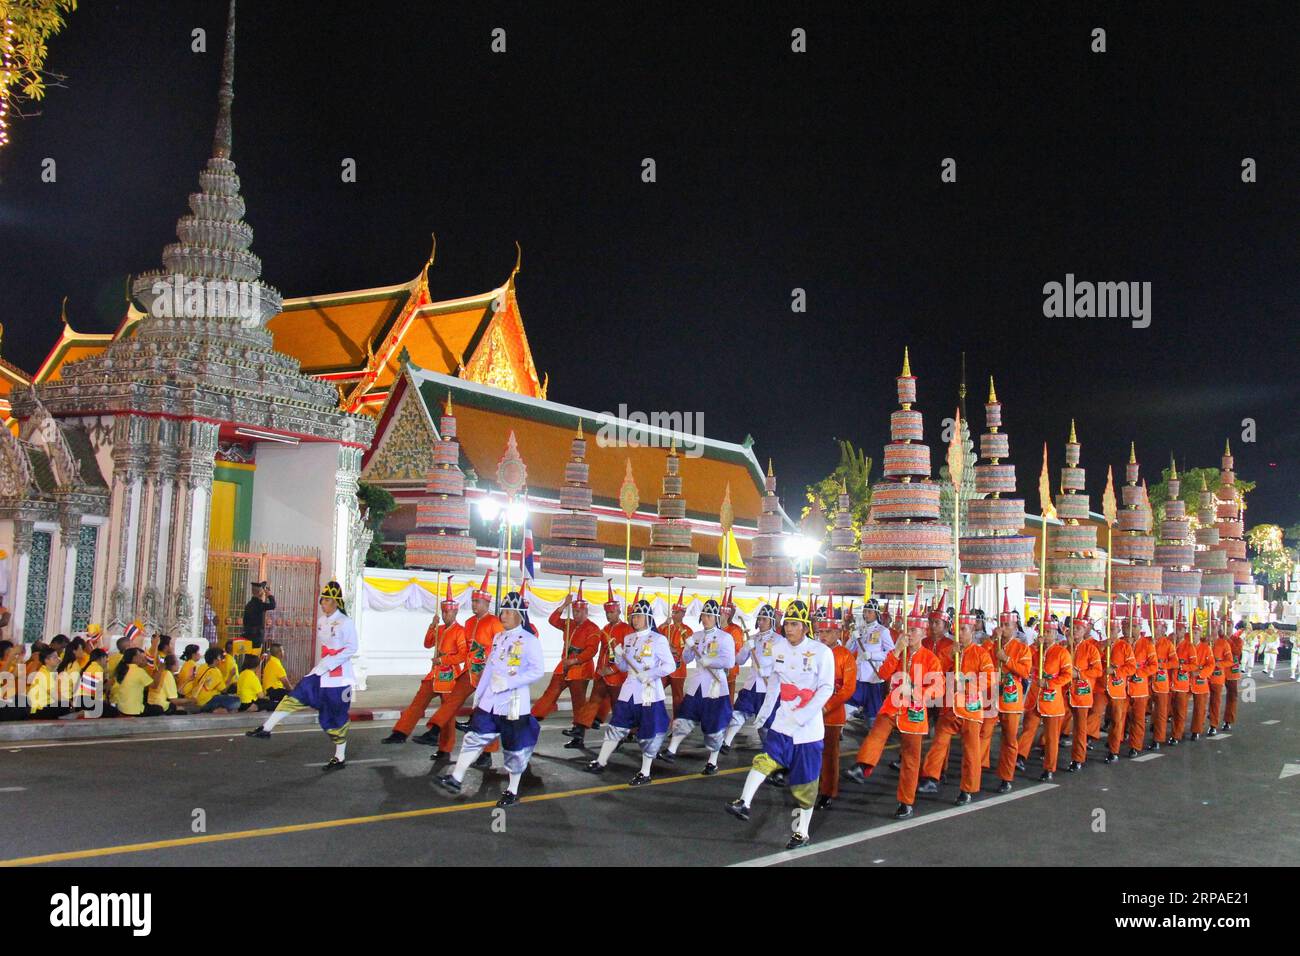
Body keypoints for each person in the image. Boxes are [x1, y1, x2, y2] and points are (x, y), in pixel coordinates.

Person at [725, 599, 835, 849]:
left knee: (804, 784)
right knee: (765, 759)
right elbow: (774, 681)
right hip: (783, 723)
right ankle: (744, 802)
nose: (789, 628)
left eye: (794, 624)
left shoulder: (821, 652)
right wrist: (764, 714)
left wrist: (804, 714)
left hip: (808, 729)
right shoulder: (777, 648)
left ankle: (801, 833)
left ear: (805, 627)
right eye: (787, 624)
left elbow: (826, 688)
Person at [436, 585, 545, 807]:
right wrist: (480, 693)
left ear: (518, 615)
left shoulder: (530, 641)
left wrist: (510, 682)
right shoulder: (498, 638)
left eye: (506, 612)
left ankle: (512, 790)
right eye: (502, 611)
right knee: (474, 737)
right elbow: (489, 667)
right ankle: (456, 777)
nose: (502, 616)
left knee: (515, 747)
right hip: (491, 702)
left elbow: (537, 671)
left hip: (514, 704)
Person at [844, 588, 944, 819]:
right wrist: (896, 651)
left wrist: (918, 694)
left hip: (915, 711)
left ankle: (906, 801)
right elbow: (884, 673)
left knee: (910, 758)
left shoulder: (931, 658)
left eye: (916, 630)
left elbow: (938, 688)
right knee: (876, 733)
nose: (910, 634)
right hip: (893, 705)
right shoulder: (900, 650)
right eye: (908, 629)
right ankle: (863, 765)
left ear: (924, 632)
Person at [246, 581, 358, 772]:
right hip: (320, 673)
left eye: (327, 600)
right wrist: (322, 665)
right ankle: (266, 728)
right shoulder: (322, 621)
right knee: (295, 695)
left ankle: (339, 757)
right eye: (322, 600)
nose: (323, 604)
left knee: (335, 718)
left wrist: (330, 662)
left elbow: (352, 648)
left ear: (336, 602)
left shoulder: (346, 623)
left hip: (340, 678)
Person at [582, 595, 676, 785]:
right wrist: (618, 657)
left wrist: (650, 674)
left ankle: (645, 771)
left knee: (648, 731)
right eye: (633, 616)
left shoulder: (658, 639)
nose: (635, 619)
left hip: (649, 692)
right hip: (629, 690)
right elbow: (625, 667)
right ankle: (601, 761)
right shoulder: (628, 638)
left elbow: (670, 666)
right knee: (616, 725)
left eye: (639, 616)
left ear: (648, 617)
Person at [916, 587, 994, 805]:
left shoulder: (981, 653)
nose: (961, 635)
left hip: (970, 708)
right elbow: (937, 671)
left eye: (965, 630)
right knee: (939, 741)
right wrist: (950, 657)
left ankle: (968, 788)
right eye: (958, 630)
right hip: (950, 707)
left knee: (971, 751)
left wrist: (967, 683)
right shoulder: (949, 650)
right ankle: (931, 777)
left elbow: (990, 679)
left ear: (972, 631)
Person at [429, 572, 503, 766]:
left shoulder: (495, 622)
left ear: (487, 604)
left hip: (488, 674)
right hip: (469, 672)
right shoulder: (469, 623)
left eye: (478, 601)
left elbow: (501, 646)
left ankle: (487, 755)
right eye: (473, 601)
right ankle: (434, 730)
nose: (474, 605)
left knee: (487, 713)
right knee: (452, 700)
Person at [384, 579, 467, 751]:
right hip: (435, 673)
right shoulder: (441, 628)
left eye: (448, 612)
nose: (446, 615)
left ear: (455, 612)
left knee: (447, 712)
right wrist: (433, 625)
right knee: (418, 702)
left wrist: (443, 660)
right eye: (444, 612)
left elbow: (462, 655)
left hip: (449, 674)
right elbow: (427, 643)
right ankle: (400, 733)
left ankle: (445, 747)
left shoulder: (460, 631)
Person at [659, 596, 735, 773]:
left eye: (709, 615)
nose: (705, 618)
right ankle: (671, 750)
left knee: (714, 727)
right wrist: (687, 648)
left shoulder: (725, 637)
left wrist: (710, 660)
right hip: (697, 686)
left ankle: (712, 762)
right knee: (684, 717)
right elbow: (686, 659)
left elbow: (729, 661)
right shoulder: (697, 636)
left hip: (715, 688)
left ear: (716, 617)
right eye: (704, 615)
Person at [564, 582, 632, 750]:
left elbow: (627, 656)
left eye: (612, 612)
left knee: (618, 709)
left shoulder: (627, 630)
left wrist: (613, 669)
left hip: (617, 677)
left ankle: (619, 737)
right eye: (607, 613)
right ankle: (579, 731)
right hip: (601, 675)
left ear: (619, 611)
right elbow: (602, 653)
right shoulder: (604, 629)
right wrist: (599, 671)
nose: (609, 615)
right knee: (592, 703)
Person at [531, 581, 600, 729]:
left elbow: (591, 651)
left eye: (579, 611)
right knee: (550, 692)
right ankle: (533, 718)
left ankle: (578, 731)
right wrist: (564, 604)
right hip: (563, 667)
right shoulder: (569, 624)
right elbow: (553, 620)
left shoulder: (593, 628)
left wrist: (574, 660)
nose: (576, 614)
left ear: (586, 611)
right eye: (574, 611)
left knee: (578, 702)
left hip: (581, 669)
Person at [983, 590, 1032, 793]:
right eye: (1001, 625)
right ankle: (977, 767)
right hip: (991, 695)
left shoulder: (1022, 648)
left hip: (1011, 698)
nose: (1003, 629)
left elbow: (1026, 672)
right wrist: (993, 642)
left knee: (1009, 738)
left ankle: (1006, 775)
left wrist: (1007, 660)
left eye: (1007, 625)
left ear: (1014, 627)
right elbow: (981, 658)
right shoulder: (991, 645)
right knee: (983, 733)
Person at [1015, 617, 1072, 780]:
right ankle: (1020, 756)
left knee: (1052, 736)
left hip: (1052, 700)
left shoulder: (1062, 652)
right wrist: (1035, 646)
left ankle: (1049, 768)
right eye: (1043, 632)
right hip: (1034, 697)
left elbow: (1067, 676)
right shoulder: (1035, 649)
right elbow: (1026, 665)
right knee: (1028, 727)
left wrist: (1048, 682)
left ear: (1055, 634)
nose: (1045, 635)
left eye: (1049, 632)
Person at [721, 602, 779, 753]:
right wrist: (746, 647)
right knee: (738, 713)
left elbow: (782, 664)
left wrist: (767, 670)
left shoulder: (779, 640)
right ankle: (726, 743)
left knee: (764, 725)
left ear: (771, 621)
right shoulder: (751, 638)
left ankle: (771, 754)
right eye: (759, 619)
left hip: (767, 687)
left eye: (764, 619)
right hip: (751, 685)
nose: (760, 622)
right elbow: (739, 660)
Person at [815, 609, 856, 810]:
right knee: (810, 752)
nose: (823, 636)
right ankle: (811, 785)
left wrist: (828, 705)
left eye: (828, 632)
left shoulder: (845, 656)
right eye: (821, 631)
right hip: (812, 711)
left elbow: (848, 688)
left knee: (830, 754)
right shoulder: (813, 651)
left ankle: (827, 791)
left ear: (838, 633)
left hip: (832, 713)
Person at [1064, 608, 1102, 773]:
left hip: (1081, 693)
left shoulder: (1091, 649)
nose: (1075, 631)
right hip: (1064, 691)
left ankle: (1078, 758)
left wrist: (1079, 674)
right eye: (1072, 628)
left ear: (1085, 629)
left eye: (1078, 628)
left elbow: (1098, 671)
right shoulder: (1064, 647)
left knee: (1080, 727)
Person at [845, 598, 893, 722]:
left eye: (869, 612)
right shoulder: (860, 629)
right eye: (865, 611)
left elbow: (891, 653)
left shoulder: (883, 631)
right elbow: (848, 650)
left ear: (876, 614)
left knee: (873, 711)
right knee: (850, 700)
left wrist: (872, 655)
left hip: (874, 675)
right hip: (860, 674)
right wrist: (852, 638)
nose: (866, 614)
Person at [1101, 609, 1136, 763]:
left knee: (1117, 720)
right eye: (1108, 629)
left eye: (1113, 629)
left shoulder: (1124, 647)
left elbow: (1132, 667)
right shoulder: (1101, 645)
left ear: (1118, 630)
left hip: (1117, 688)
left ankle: (1114, 750)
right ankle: (1088, 736)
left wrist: (1115, 671)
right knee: (1094, 713)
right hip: (1100, 687)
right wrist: (1102, 647)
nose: (1111, 632)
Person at [1126, 602, 1156, 756]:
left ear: (1139, 628)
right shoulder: (1121, 644)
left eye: (1133, 627)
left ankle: (1135, 746)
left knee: (1138, 718)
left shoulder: (1147, 645)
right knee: (1121, 718)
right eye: (1127, 627)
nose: (1130, 630)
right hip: (1122, 688)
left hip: (1139, 689)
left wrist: (1138, 673)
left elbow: (1153, 666)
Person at [658, 587, 694, 716]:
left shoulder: (688, 631)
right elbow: (654, 636)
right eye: (673, 611)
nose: (673, 614)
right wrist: (663, 624)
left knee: (677, 698)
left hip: (678, 669)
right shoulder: (667, 628)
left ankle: (677, 722)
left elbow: (689, 651)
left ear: (683, 614)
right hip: (664, 668)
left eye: (676, 612)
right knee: (655, 691)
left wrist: (674, 650)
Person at [112, 639, 167, 718]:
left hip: (121, 708)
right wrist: (161, 669)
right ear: (134, 658)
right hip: (133, 710)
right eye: (141, 657)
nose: (144, 659)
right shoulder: (138, 671)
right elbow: (154, 686)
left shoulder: (122, 669)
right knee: (159, 709)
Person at [1187, 614, 1215, 740]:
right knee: (1179, 707)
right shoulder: (1185, 646)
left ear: (1200, 633)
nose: (1194, 635)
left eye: (1196, 632)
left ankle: (1196, 730)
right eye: (1192, 632)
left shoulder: (1206, 648)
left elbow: (1211, 665)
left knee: (1200, 707)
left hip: (1199, 680)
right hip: (1185, 680)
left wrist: (1200, 673)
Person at [191, 648, 240, 713]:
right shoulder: (216, 671)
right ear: (216, 659)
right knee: (237, 701)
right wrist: (231, 676)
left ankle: (214, 709)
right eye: (221, 658)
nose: (222, 660)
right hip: (208, 700)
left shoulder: (202, 667)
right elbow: (224, 690)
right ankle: (213, 709)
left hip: (198, 700)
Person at [1208, 610, 1232, 735]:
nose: (1211, 630)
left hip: (1217, 677)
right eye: (1209, 627)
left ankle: (1213, 724)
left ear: (1218, 629)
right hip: (1203, 677)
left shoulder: (1223, 643)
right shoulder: (1203, 642)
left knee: (1215, 701)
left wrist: (1218, 664)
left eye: (1213, 628)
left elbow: (1229, 661)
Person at [243, 580, 276, 649]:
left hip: (248, 635)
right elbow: (273, 605)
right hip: (257, 636)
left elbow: (244, 621)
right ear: (260, 593)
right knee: (255, 656)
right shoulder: (259, 604)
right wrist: (269, 595)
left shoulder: (248, 604)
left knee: (249, 655)